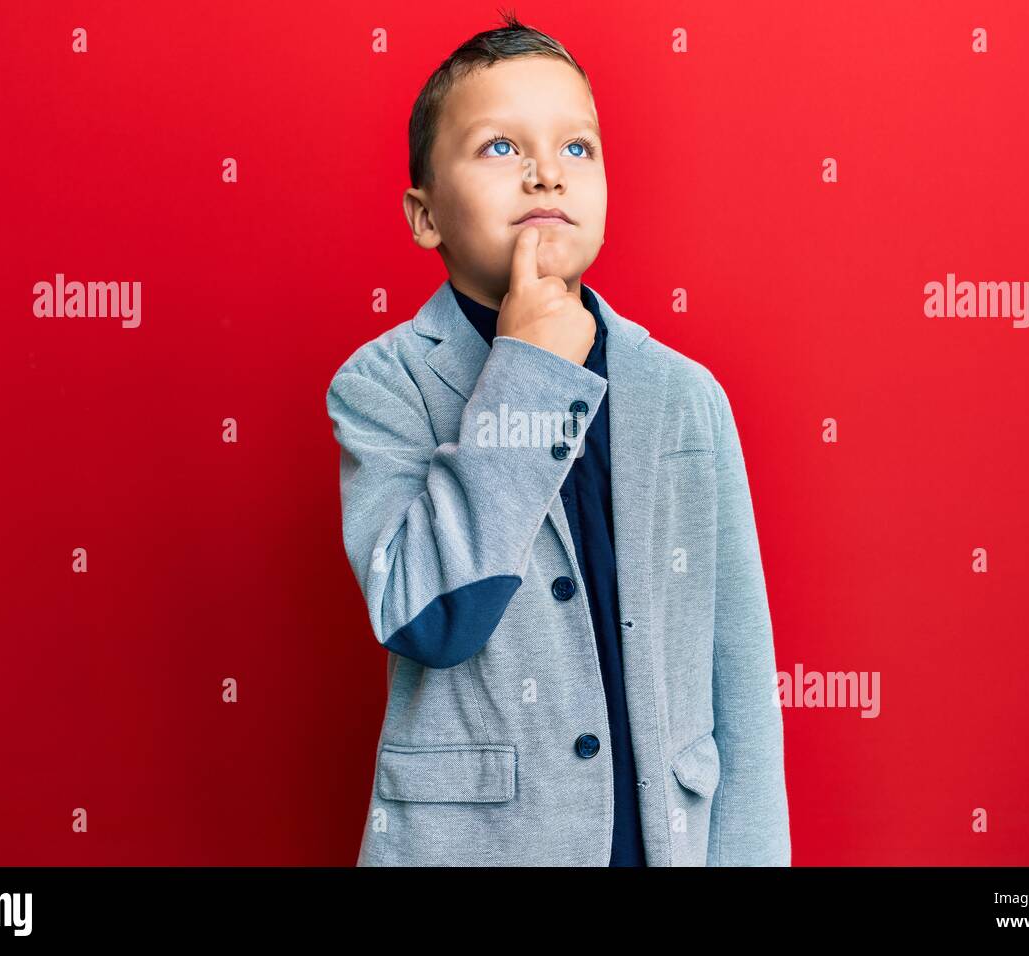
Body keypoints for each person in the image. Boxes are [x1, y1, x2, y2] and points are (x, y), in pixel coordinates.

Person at [326, 12, 790, 866]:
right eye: (500, 148)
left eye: (578, 148)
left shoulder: (686, 397)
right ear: (425, 216)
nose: (546, 172)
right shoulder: (381, 385)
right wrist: (528, 371)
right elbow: (427, 616)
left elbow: (741, 680)